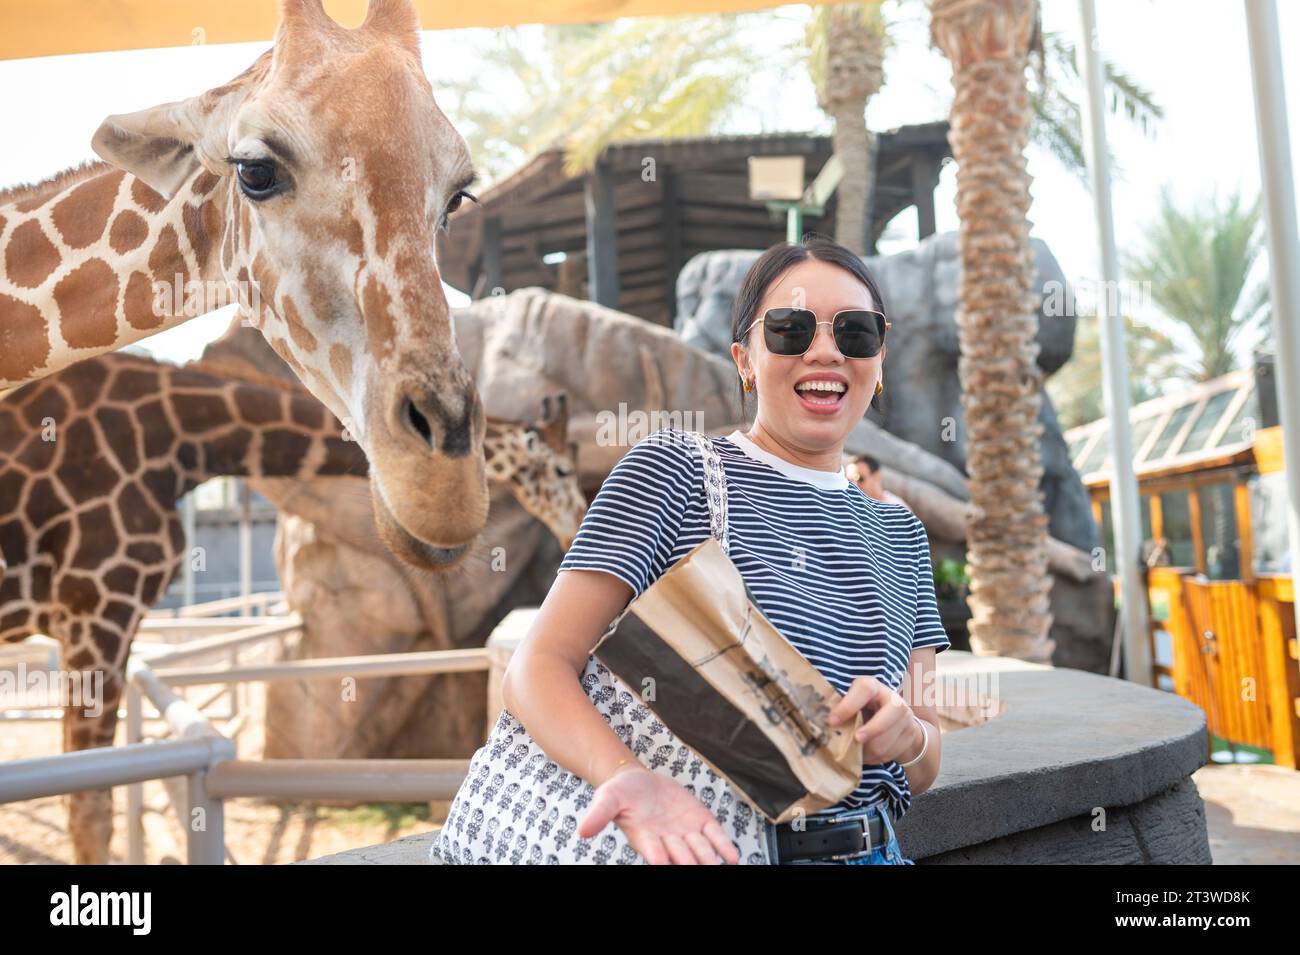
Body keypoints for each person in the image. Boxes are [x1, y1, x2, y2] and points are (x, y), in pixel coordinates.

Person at [500, 235, 951, 865]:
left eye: (855, 332)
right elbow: (538, 665)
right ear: (744, 358)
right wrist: (627, 777)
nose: (826, 350)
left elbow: (927, 760)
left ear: (878, 359)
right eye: (791, 329)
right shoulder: (674, 472)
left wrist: (907, 736)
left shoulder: (898, 532)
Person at [847, 453, 913, 513]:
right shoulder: (850, 504)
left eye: (860, 479)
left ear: (877, 476)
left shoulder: (898, 509)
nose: (854, 484)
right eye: (850, 481)